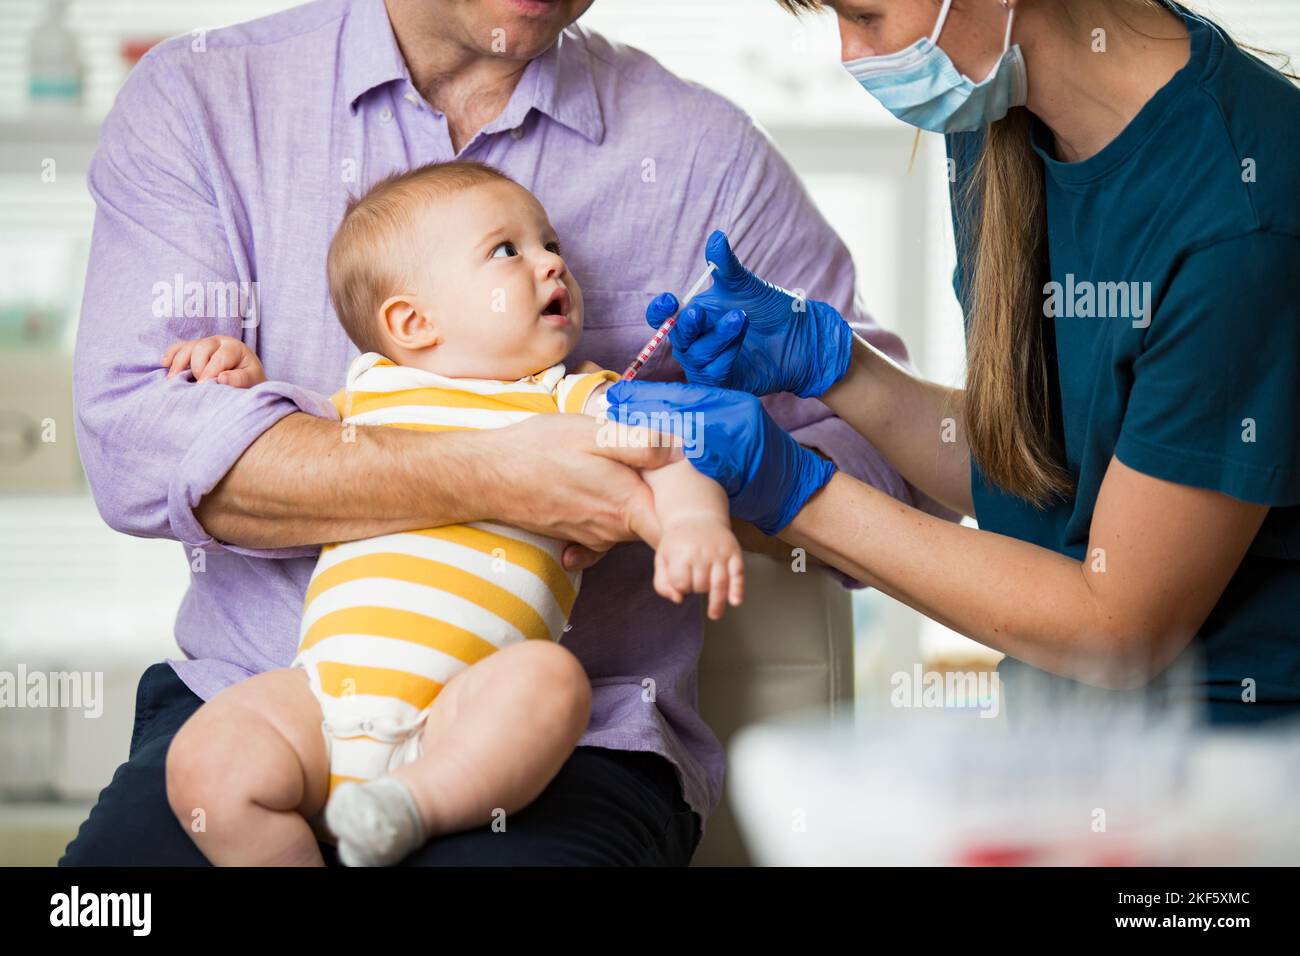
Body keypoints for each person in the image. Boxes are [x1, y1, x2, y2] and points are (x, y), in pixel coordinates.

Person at [64, 0, 927, 866]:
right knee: (196, 782)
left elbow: (883, 484)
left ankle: (417, 801)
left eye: (550, 246)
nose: (554, 265)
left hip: (559, 744)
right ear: (408, 324)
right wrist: (497, 474)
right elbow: (142, 442)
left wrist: (687, 508)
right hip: (287, 693)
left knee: (545, 685)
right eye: (510, 254)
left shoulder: (704, 161)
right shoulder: (202, 96)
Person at [608, 0, 1300, 721]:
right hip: (1063, 731)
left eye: (864, 16)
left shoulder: (1242, 218)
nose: (850, 54)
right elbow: (1042, 475)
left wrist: (788, 489)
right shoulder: (996, 111)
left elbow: (1119, 628)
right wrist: (839, 370)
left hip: (1231, 757)